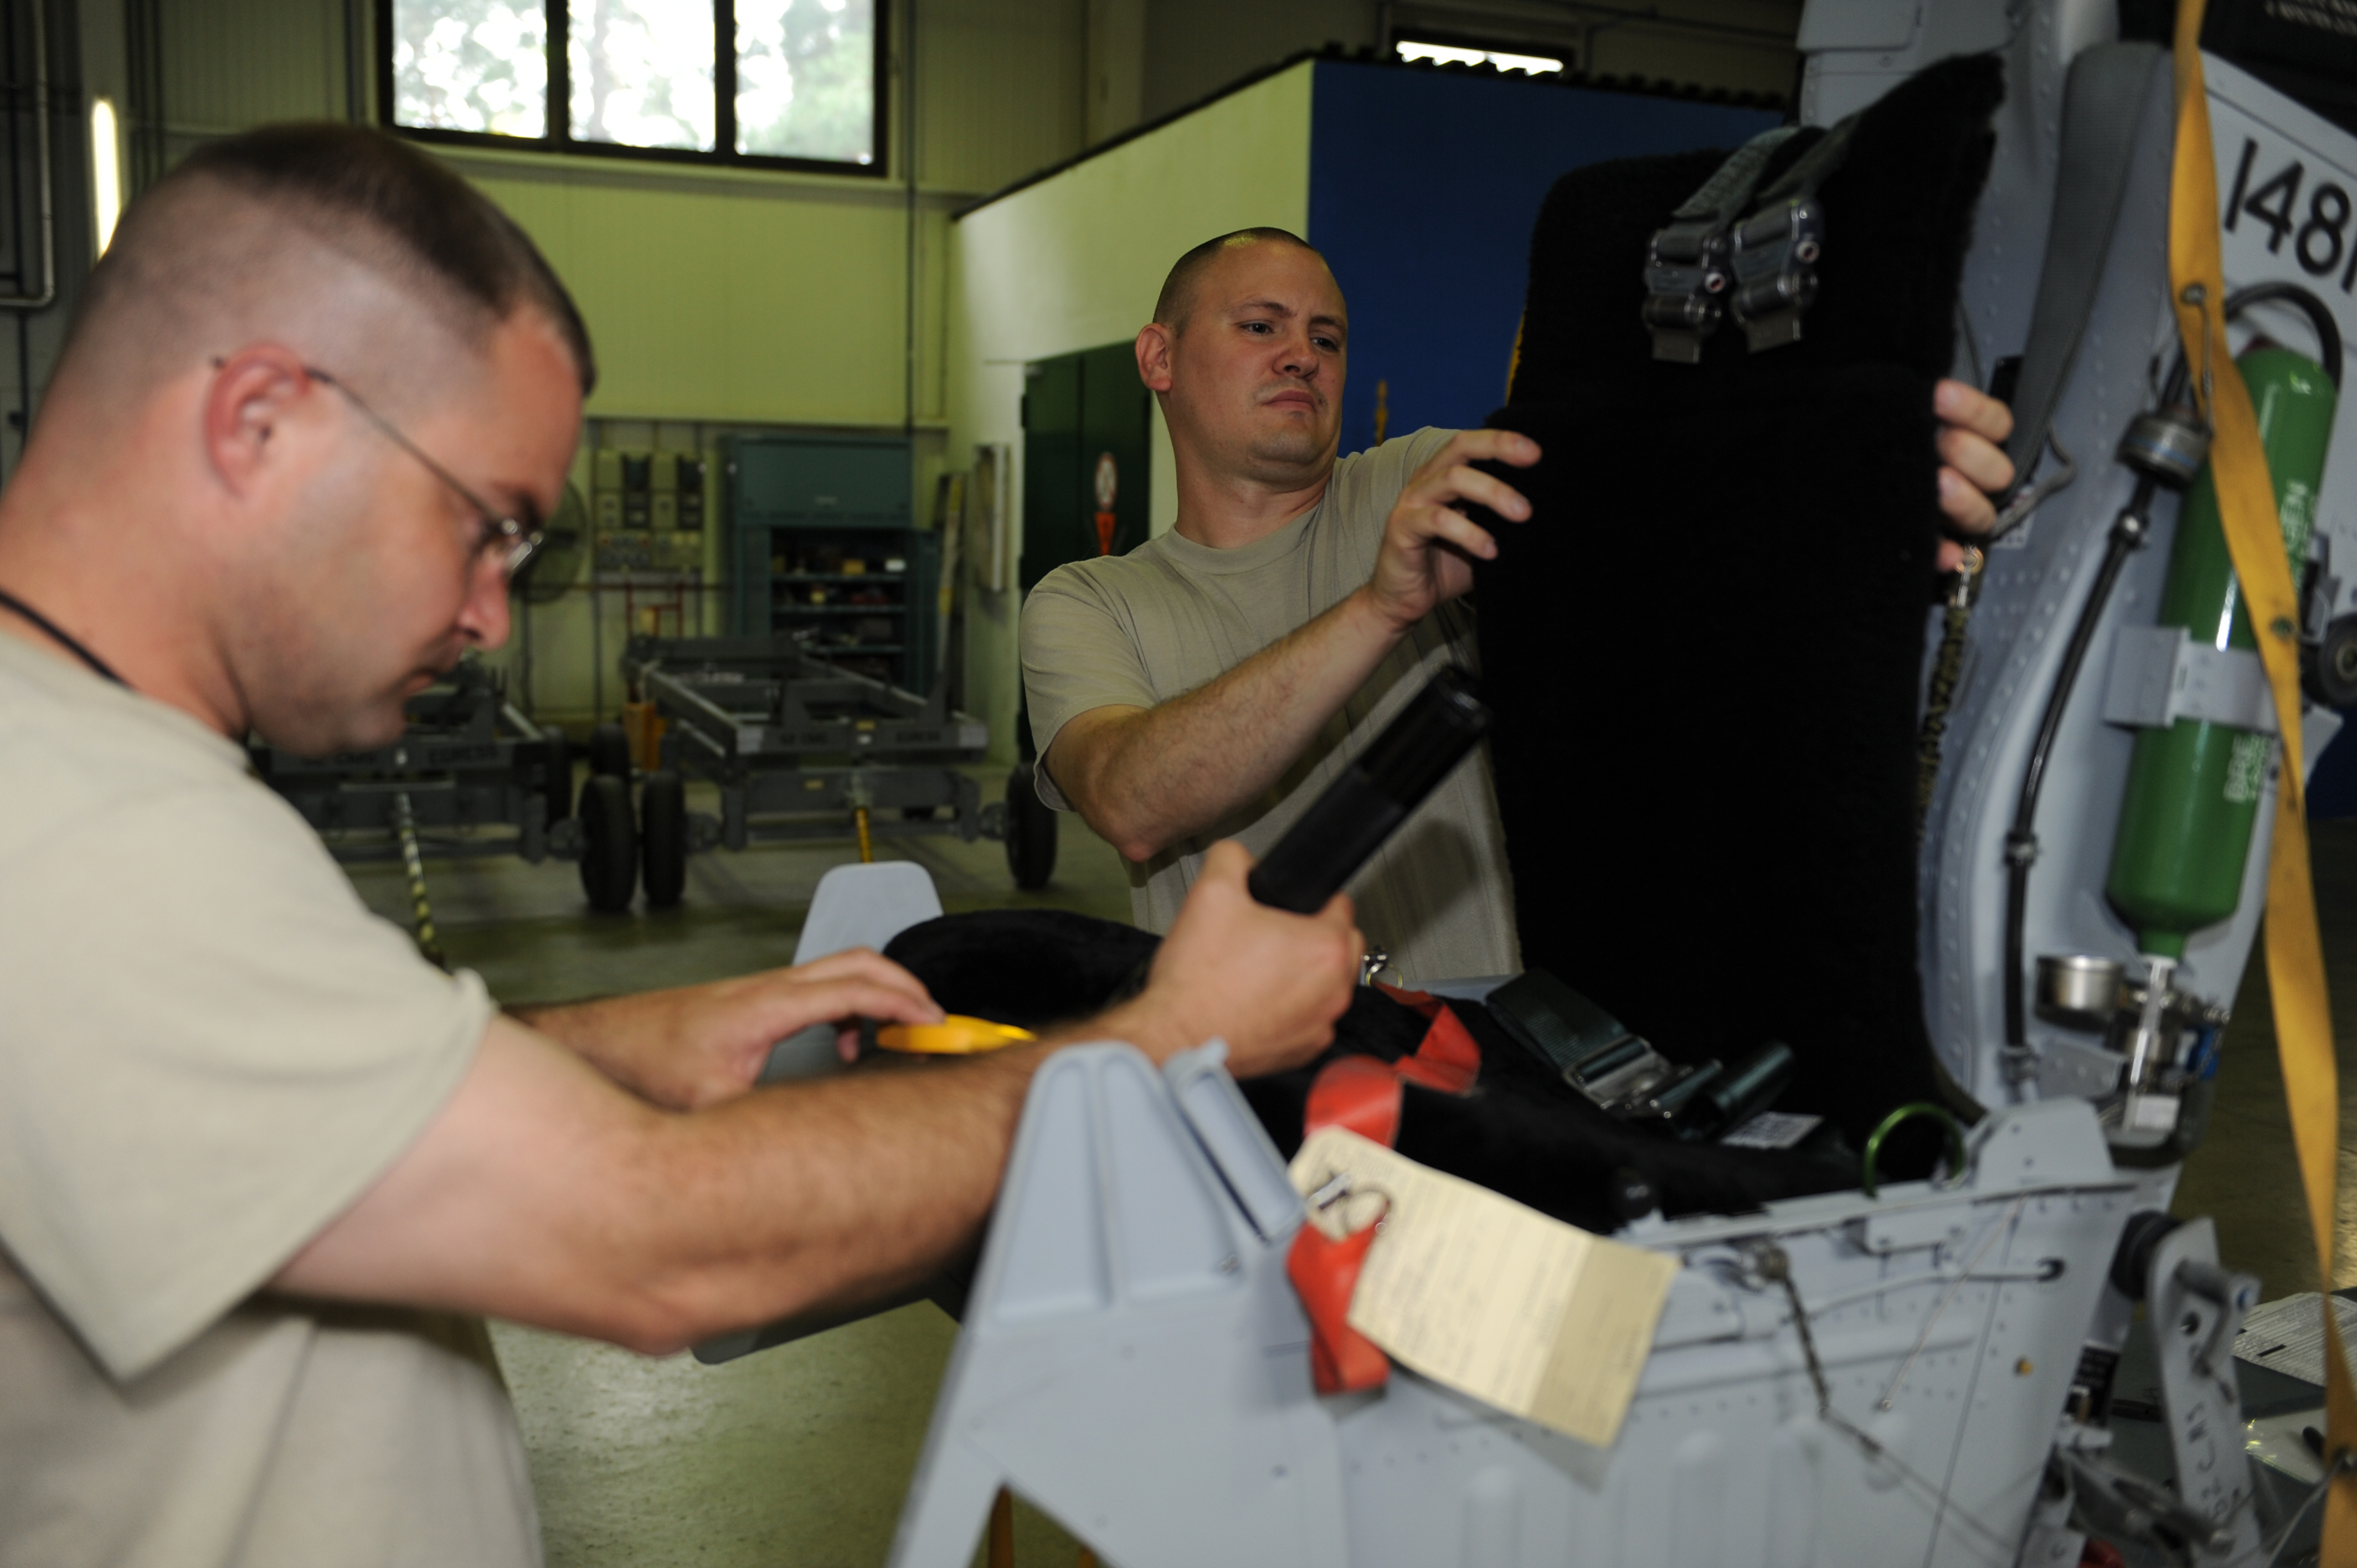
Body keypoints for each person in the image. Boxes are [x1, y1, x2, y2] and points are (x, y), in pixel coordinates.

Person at [0, 128, 1362, 1566]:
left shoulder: (84, 779)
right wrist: (1165, 1045)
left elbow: (246, 1121)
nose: (491, 618)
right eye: (486, 526)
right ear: (260, 419)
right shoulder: (86, 830)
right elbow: (665, 1245)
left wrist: (609, 1046)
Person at [1021, 227, 2017, 983]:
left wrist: (1839, 472)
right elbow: (1133, 802)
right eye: (1259, 327)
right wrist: (1380, 609)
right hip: (1249, 1093)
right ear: (1158, 359)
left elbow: (1628, 491)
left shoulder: (1405, 486)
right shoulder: (1090, 601)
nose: (1302, 356)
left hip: (1487, 1059)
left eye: (1326, 337)